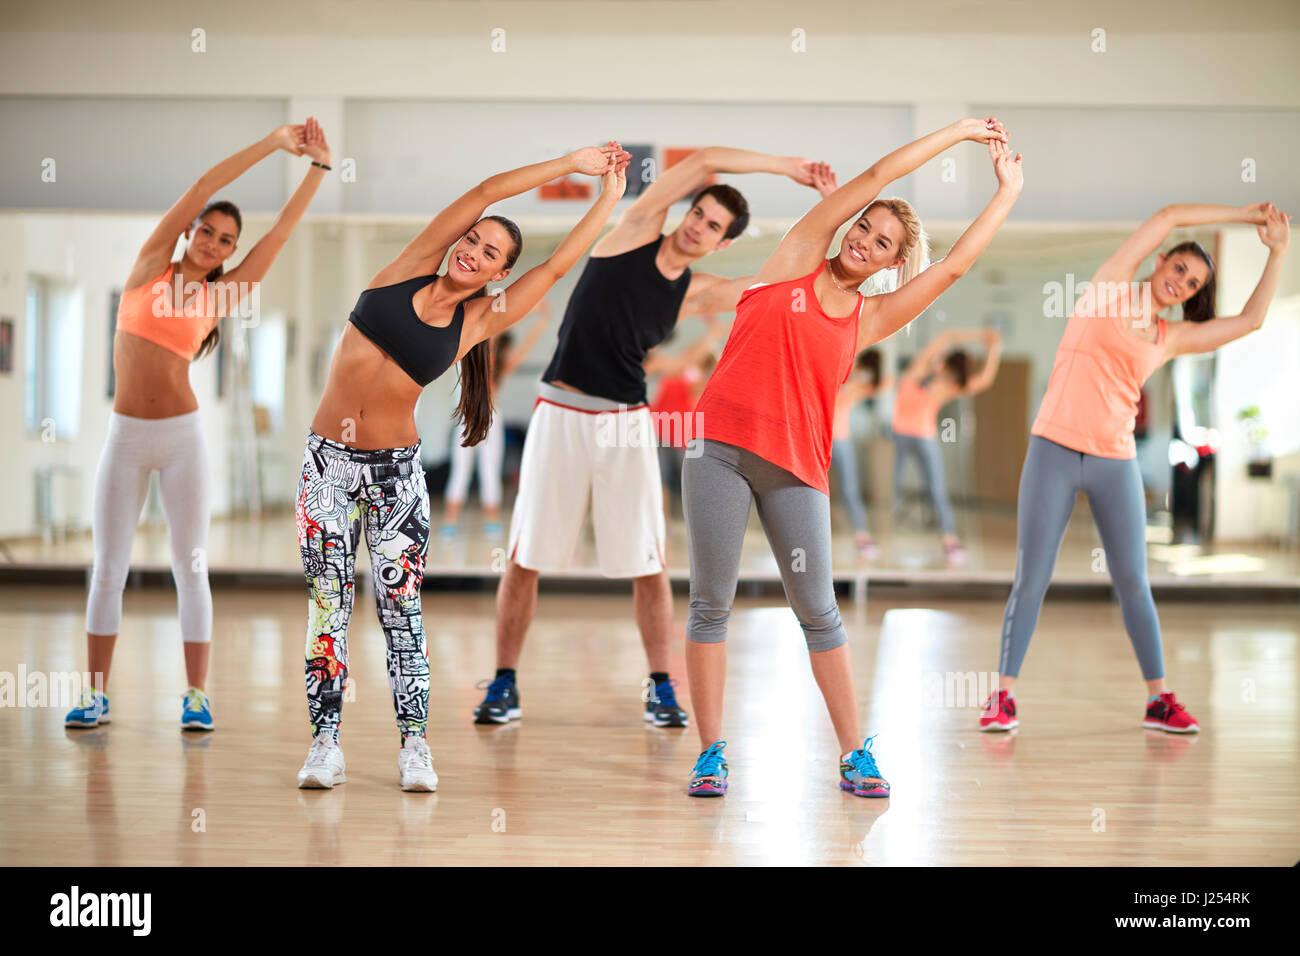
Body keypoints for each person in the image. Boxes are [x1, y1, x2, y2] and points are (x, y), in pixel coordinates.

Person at [682, 119, 1022, 798]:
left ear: (894, 262)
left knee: (819, 612)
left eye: (884, 243)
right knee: (710, 604)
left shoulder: (871, 318)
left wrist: (1006, 193)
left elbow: (955, 266)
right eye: (863, 227)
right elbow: (874, 178)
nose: (864, 240)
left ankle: (853, 754)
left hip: (796, 469)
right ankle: (711, 753)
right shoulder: (795, 257)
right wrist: (956, 132)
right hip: (717, 449)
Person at [295, 144, 630, 791]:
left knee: (402, 613)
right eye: (472, 240)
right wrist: (570, 164)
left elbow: (559, 266)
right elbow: (486, 189)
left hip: (395, 477)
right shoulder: (409, 267)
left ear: (497, 276)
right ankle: (324, 745)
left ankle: (415, 745)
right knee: (327, 611)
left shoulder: (477, 320)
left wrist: (609, 200)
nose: (471, 251)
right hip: (326, 467)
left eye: (490, 255)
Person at [477, 146, 836, 730]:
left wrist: (826, 207)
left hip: (627, 422)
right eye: (699, 213)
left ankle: (661, 686)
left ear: (722, 242)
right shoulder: (633, 231)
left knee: (648, 562)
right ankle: (503, 683)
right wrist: (787, 167)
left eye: (714, 226)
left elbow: (786, 278)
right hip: (559, 409)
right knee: (525, 556)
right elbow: (703, 163)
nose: (699, 225)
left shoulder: (696, 292)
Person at [980, 201, 1290, 735]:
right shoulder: (1107, 289)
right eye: (1179, 270)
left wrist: (1277, 250)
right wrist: (1244, 214)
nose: (1182, 284)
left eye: (1192, 285)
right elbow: (1168, 215)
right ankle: (1003, 696)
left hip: (1114, 460)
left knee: (1133, 582)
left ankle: (1159, 699)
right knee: (1031, 578)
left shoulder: (1169, 338)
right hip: (1053, 448)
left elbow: (1250, 320)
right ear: (1161, 260)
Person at [66, 119, 332, 732]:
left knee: (190, 564)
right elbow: (203, 185)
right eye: (206, 230)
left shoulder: (221, 297)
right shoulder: (149, 269)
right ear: (190, 233)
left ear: (232, 253)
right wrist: (272, 144)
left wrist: (317, 169)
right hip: (125, 437)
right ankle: (96, 694)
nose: (213, 242)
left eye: (225, 240)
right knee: (110, 567)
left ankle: (195, 696)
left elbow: (284, 234)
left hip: (183, 439)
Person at [441, 300, 553, 536]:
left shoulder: (502, 365)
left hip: (491, 419)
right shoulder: (470, 354)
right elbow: (497, 328)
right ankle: (451, 522)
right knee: (461, 470)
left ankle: (491, 521)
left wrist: (541, 323)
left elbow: (523, 348)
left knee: (490, 469)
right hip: (467, 418)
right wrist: (529, 309)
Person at [892, 328, 1003, 562]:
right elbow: (945, 338)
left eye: (943, 361)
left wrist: (994, 348)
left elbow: (984, 380)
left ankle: (949, 539)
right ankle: (879, 534)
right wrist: (978, 337)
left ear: (949, 369)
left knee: (937, 489)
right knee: (894, 487)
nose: (938, 360)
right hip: (901, 436)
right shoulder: (917, 370)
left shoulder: (948, 386)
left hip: (924, 437)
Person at [646, 315, 727, 516]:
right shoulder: (677, 369)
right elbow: (688, 356)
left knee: (690, 486)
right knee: (659, 482)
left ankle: (702, 521)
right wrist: (711, 335)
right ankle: (662, 525)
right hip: (659, 434)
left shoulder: (698, 380)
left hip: (683, 440)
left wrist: (712, 337)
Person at [830, 349, 892, 558]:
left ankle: (862, 536)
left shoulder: (857, 385)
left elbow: (887, 382)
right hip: (821, 440)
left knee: (849, 489)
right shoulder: (841, 377)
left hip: (841, 440)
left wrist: (860, 373)